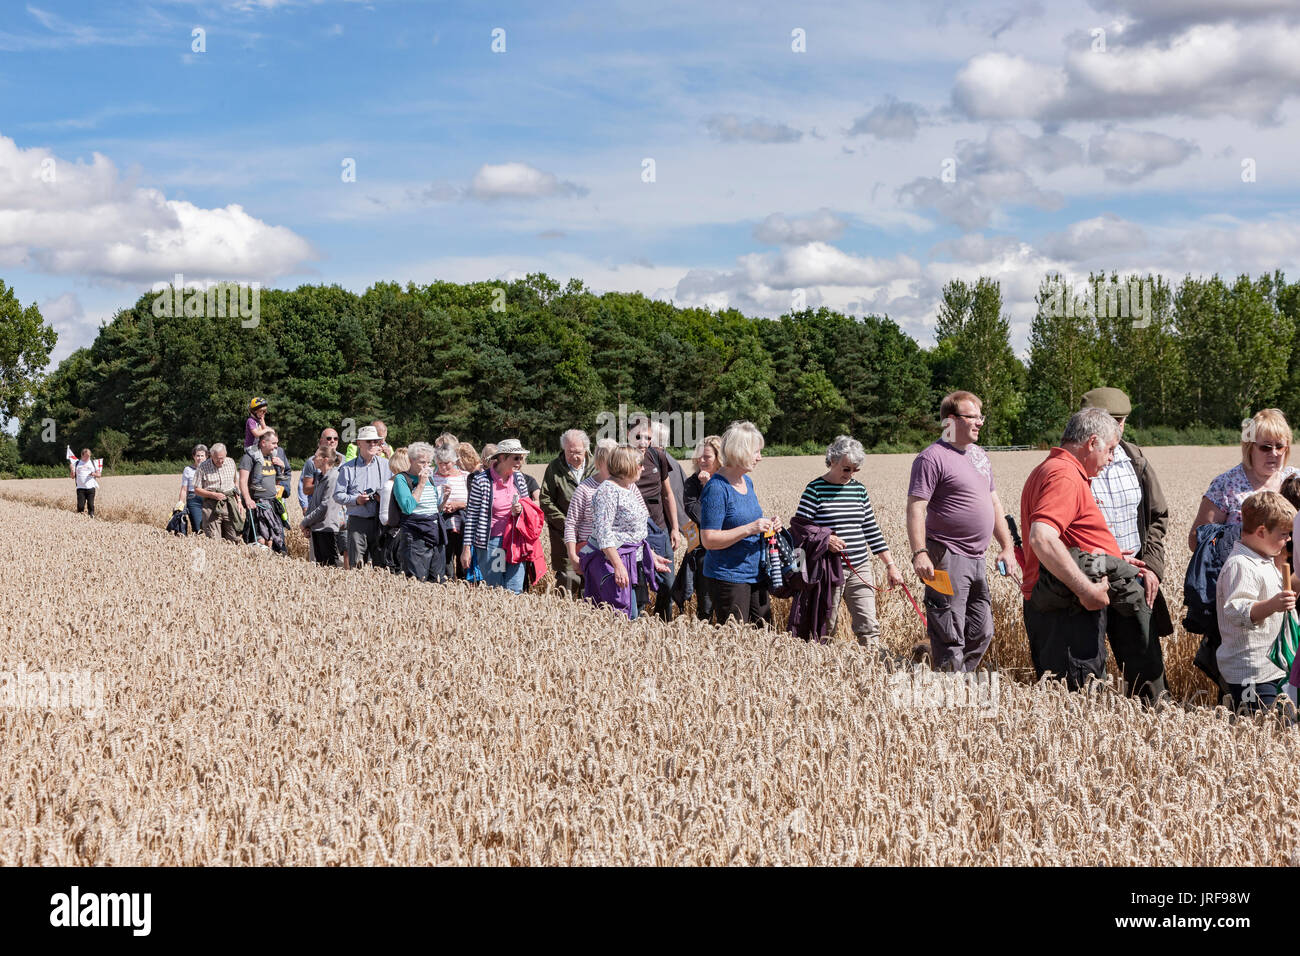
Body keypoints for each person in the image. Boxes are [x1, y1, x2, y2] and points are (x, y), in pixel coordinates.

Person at [1020, 408, 1158, 690]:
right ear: (1092, 442)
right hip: (1068, 612)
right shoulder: (1065, 477)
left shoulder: (1053, 469)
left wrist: (1117, 560)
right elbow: (1042, 538)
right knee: (1077, 700)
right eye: (1109, 449)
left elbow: (1071, 539)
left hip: (1062, 605)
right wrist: (1085, 589)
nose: (1110, 458)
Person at [906, 392, 1016, 670]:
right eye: (973, 417)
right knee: (949, 631)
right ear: (952, 421)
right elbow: (916, 509)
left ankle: (959, 678)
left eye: (981, 417)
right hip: (947, 555)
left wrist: (1006, 546)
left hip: (977, 557)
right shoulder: (931, 458)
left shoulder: (979, 456)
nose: (980, 422)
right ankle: (950, 687)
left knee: (982, 630)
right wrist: (920, 553)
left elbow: (993, 502)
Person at [1079, 387, 1174, 701]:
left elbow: (1158, 517)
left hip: (1133, 579)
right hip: (1085, 580)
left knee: (1149, 679)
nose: (1117, 428)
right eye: (1110, 420)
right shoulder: (1070, 465)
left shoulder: (1135, 459)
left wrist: (1153, 568)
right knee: (1086, 679)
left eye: (1122, 421)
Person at [792, 436, 904, 648]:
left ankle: (874, 669)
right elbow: (800, 529)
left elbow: (871, 529)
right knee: (826, 627)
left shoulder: (859, 490)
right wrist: (826, 540)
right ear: (832, 461)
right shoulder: (814, 489)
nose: (850, 474)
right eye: (846, 469)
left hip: (860, 567)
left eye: (855, 470)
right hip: (827, 571)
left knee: (869, 624)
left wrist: (891, 566)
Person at [1216, 491, 1297, 714]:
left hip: (1271, 669)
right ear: (1262, 531)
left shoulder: (1263, 560)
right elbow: (1237, 610)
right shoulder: (1241, 565)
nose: (1288, 539)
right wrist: (1273, 604)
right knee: (1259, 729)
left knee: (1281, 726)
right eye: (1283, 534)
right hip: (1250, 672)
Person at [699, 421, 780, 626]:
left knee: (764, 634)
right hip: (728, 577)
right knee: (736, 642)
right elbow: (709, 539)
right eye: (756, 452)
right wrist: (750, 528)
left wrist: (769, 525)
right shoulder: (717, 489)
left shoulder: (747, 482)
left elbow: (746, 519)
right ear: (740, 452)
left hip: (755, 573)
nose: (760, 457)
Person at [584, 445, 673, 619]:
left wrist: (652, 556)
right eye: (639, 464)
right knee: (623, 615)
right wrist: (618, 566)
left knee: (634, 613)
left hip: (631, 561)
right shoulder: (607, 491)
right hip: (612, 563)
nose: (643, 468)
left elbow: (633, 533)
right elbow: (603, 534)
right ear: (627, 465)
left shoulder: (627, 488)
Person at [1191, 408, 1299, 550]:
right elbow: (1195, 539)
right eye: (1265, 447)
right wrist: (1245, 535)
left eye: (1279, 447)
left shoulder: (1295, 479)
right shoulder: (1225, 485)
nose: (1273, 453)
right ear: (1249, 447)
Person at [462, 439, 533, 593]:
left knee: (515, 588)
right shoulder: (481, 481)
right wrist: (466, 548)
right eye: (516, 458)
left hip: (516, 540)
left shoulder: (519, 478)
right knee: (497, 588)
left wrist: (521, 508)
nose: (519, 462)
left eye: (521, 458)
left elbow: (528, 506)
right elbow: (471, 517)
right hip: (493, 543)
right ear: (502, 458)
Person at [629, 416, 682, 620]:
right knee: (638, 584)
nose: (643, 442)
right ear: (628, 435)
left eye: (648, 438)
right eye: (638, 437)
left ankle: (664, 622)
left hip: (658, 529)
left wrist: (674, 528)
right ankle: (638, 624)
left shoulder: (657, 457)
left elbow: (667, 494)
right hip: (633, 534)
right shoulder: (620, 459)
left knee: (668, 583)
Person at [673, 435, 721, 621]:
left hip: (730, 550)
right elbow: (700, 515)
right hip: (703, 552)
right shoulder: (692, 483)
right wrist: (705, 485)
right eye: (699, 456)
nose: (701, 460)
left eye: (707, 457)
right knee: (706, 603)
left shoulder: (730, 480)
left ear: (719, 458)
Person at [541, 429, 595, 595]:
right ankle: (564, 617)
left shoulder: (598, 466)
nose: (574, 456)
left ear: (586, 449)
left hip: (593, 535)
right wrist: (566, 523)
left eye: (578, 452)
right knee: (569, 578)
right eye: (569, 452)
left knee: (592, 577)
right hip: (563, 535)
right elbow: (545, 499)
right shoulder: (554, 468)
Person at [334, 425, 394, 568]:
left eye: (375, 441)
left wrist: (383, 497)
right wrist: (356, 500)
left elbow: (395, 489)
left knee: (381, 565)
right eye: (369, 441)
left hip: (380, 522)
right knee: (357, 565)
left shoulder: (387, 465)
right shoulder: (347, 468)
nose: (373, 444)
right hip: (357, 522)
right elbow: (338, 495)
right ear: (359, 443)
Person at [565, 438, 621, 582]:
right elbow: (571, 523)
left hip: (621, 553)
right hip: (592, 554)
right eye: (610, 461)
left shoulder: (628, 486)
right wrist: (573, 556)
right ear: (600, 462)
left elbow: (641, 519)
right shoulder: (584, 489)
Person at [393, 441, 449, 582]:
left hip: (435, 531)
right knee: (417, 580)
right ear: (411, 461)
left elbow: (435, 509)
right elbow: (407, 507)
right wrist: (421, 483)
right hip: (415, 535)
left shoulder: (429, 478)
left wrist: (444, 500)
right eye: (422, 462)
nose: (426, 467)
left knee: (437, 580)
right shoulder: (402, 479)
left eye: (429, 463)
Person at [239, 429, 288, 552]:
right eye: (273, 443)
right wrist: (248, 499)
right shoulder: (249, 458)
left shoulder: (273, 457)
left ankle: (271, 566)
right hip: (257, 503)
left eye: (277, 443)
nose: (276, 446)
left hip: (272, 503)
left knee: (272, 538)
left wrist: (281, 467)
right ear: (263, 443)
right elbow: (243, 481)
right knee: (260, 539)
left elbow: (276, 482)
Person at [430, 443, 470, 578]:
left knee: (463, 561)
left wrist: (458, 505)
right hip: (440, 527)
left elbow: (474, 502)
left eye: (447, 463)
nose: (443, 467)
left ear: (454, 461)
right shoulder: (431, 477)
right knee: (445, 561)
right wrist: (441, 506)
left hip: (463, 526)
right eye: (439, 463)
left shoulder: (465, 477)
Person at [301, 446, 345, 566]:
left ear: (325, 459)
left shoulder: (333, 478)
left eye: (316, 457)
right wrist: (308, 524)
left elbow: (325, 506)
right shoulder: (320, 477)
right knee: (322, 568)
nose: (313, 459)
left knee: (332, 566)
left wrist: (305, 522)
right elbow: (314, 503)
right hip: (318, 529)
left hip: (329, 530)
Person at [194, 443, 240, 541]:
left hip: (229, 504)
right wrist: (213, 495)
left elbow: (236, 483)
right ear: (211, 456)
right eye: (217, 458)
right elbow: (197, 489)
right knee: (214, 539)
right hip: (211, 506)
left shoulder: (231, 462)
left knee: (234, 537)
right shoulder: (202, 467)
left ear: (226, 454)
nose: (220, 461)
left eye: (222, 458)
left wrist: (239, 501)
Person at [652, 420, 690, 537]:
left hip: (663, 524)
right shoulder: (671, 461)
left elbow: (672, 496)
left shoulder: (657, 461)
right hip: (676, 521)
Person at [378, 447, 410, 573]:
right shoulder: (389, 486)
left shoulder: (417, 484)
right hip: (396, 537)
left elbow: (383, 518)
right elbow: (385, 518)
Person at [179, 444, 208, 534]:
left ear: (206, 456)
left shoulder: (211, 468)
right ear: (193, 456)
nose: (200, 458)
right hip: (194, 499)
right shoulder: (188, 470)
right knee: (198, 527)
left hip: (209, 498)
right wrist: (180, 504)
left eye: (202, 456)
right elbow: (184, 489)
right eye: (197, 456)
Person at [73, 448, 101, 517]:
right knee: (80, 506)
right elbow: (72, 476)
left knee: (91, 505)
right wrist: (72, 470)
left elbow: (99, 475)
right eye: (86, 456)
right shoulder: (77, 463)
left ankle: (91, 518)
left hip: (91, 488)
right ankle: (80, 519)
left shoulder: (93, 463)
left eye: (89, 456)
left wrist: (93, 474)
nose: (88, 457)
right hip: (80, 488)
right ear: (82, 455)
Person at [244, 397, 272, 463]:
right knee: (260, 459)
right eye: (263, 411)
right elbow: (256, 434)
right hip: (250, 447)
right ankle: (257, 473)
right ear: (254, 411)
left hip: (257, 446)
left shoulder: (258, 420)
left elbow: (265, 433)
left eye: (265, 410)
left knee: (273, 453)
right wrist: (267, 430)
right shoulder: (251, 421)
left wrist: (263, 422)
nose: (265, 413)